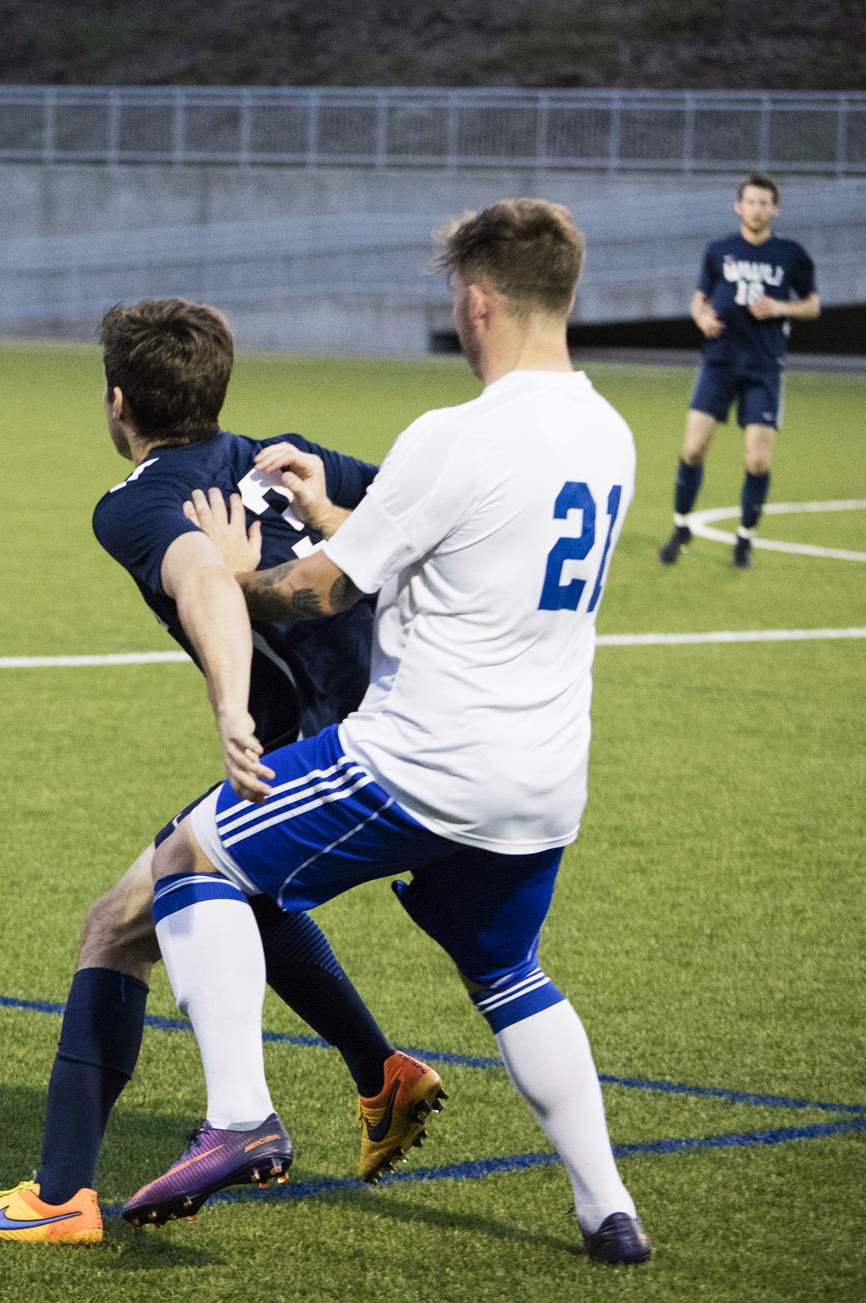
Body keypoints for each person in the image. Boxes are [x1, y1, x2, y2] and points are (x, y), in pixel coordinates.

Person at [125, 199, 651, 1266]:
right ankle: (608, 1207)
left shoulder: (456, 434)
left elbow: (318, 594)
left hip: (420, 762)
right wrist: (335, 514)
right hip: (545, 777)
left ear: (477, 302)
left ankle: (240, 1117)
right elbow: (457, 550)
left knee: (189, 859)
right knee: (509, 974)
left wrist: (237, 573)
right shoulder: (609, 431)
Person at [0, 300, 445, 1246]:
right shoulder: (284, 457)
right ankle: (382, 1074)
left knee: (125, 918)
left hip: (338, 751)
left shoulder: (133, 504)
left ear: (117, 400)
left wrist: (229, 706)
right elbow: (417, 513)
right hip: (410, 724)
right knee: (239, 892)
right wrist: (324, 515)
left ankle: (60, 1197)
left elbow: (205, 579)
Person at [658, 173, 820, 569]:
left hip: (764, 367)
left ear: (775, 209)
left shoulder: (791, 255)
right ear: (738, 206)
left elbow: (813, 305)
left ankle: (744, 538)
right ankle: (681, 527)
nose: (757, 209)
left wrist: (781, 307)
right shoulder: (719, 251)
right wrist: (700, 318)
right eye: (751, 201)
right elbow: (698, 301)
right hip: (719, 362)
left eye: (765, 203)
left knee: (757, 461)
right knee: (693, 449)